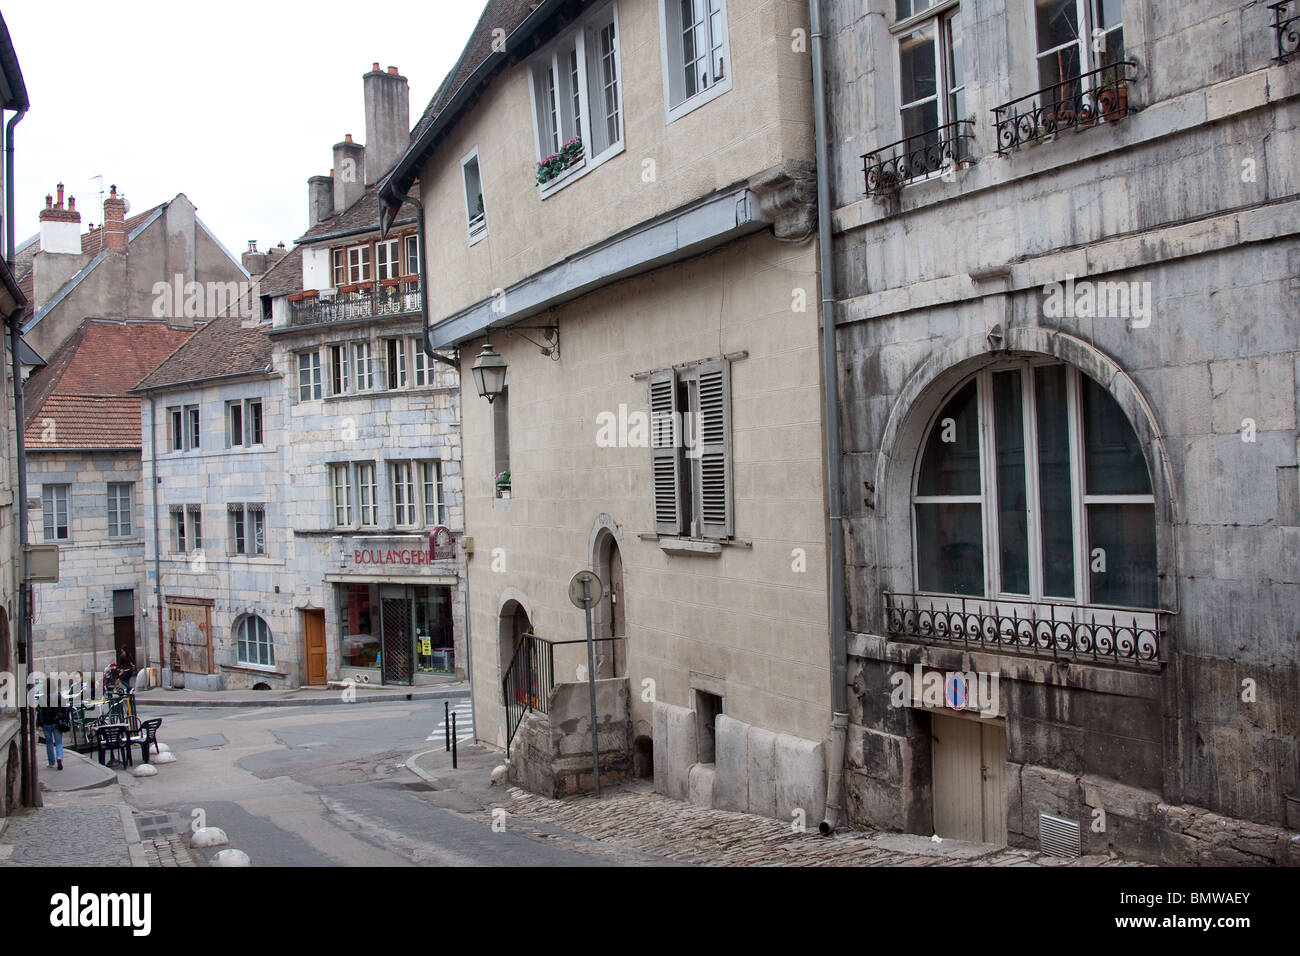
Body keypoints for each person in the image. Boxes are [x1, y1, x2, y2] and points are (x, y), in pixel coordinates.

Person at [37, 687, 67, 771]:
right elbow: (64, 708)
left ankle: (51, 762)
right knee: (58, 742)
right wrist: (61, 717)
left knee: (49, 743)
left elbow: (39, 712)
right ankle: (59, 757)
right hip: (56, 722)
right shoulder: (58, 696)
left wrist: (39, 724)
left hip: (46, 723)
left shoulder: (42, 698)